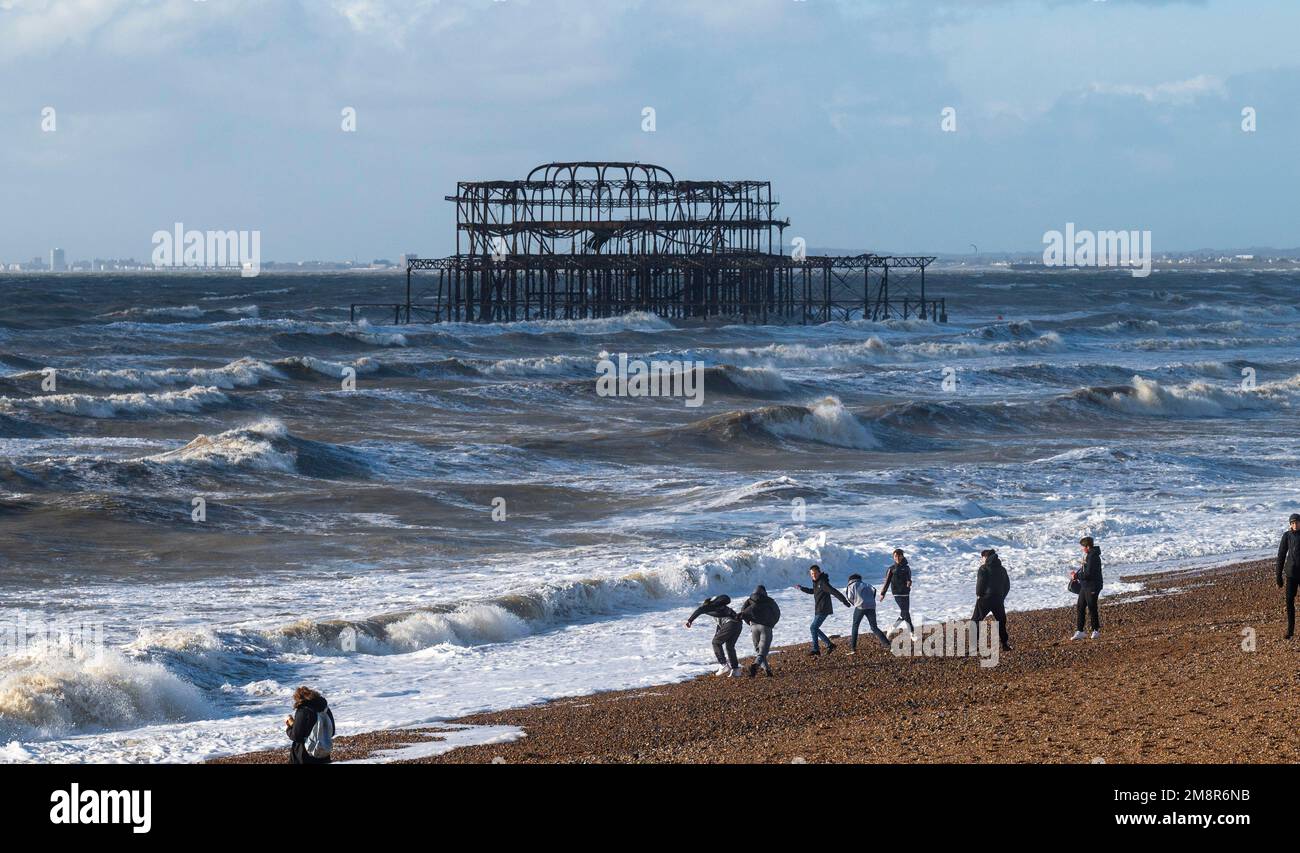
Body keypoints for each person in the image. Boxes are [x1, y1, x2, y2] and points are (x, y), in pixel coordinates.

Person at [793, 564, 851, 656]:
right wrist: (801, 588)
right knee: (814, 628)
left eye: (815, 573)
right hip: (819, 609)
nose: (813, 575)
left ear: (819, 572)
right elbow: (813, 591)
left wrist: (844, 601)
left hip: (823, 609)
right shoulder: (817, 582)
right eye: (812, 574)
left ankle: (817, 649)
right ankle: (829, 645)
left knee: (813, 627)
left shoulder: (822, 583)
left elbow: (833, 591)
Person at [686, 594, 745, 677]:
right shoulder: (723, 608)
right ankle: (736, 670)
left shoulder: (711, 606)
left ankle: (723, 665)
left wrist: (690, 620)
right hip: (738, 624)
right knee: (730, 646)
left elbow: (700, 610)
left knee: (716, 643)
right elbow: (720, 627)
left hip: (730, 624)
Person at [737, 584, 781, 677]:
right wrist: (771, 624)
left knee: (759, 650)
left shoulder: (749, 600)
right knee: (763, 651)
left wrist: (749, 623)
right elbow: (777, 613)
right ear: (765, 592)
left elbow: (743, 612)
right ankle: (755, 665)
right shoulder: (769, 600)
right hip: (766, 627)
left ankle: (767, 671)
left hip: (753, 627)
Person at [972, 549, 1012, 651]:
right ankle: (1005, 644)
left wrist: (979, 595)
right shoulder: (1002, 569)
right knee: (1001, 621)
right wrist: (1001, 597)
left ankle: (973, 646)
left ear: (985, 557)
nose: (981, 560)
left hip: (985, 598)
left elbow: (980, 584)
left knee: (975, 620)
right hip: (998, 599)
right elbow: (1007, 585)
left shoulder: (983, 568)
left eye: (982, 557)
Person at [285, 686, 335, 765]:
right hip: (323, 750)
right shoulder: (325, 708)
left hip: (305, 753)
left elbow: (296, 736)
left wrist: (289, 727)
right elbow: (332, 731)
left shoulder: (303, 710)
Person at [843, 573, 888, 653]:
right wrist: (870, 601)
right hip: (871, 606)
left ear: (850, 580)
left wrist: (855, 603)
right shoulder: (867, 584)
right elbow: (874, 591)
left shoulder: (851, 585)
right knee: (874, 627)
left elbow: (849, 597)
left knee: (855, 626)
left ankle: (853, 648)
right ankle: (887, 644)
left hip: (860, 606)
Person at [1071, 536, 1103, 640]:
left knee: (1092, 607)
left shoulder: (1093, 556)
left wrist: (1077, 576)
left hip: (1093, 585)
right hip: (1085, 586)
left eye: (1083, 546)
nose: (1082, 548)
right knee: (1080, 607)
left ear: (1088, 546)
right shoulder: (1089, 555)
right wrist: (1077, 574)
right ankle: (1080, 631)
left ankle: (1095, 631)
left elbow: (1088, 574)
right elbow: (1085, 570)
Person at [879, 549, 915, 641]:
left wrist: (909, 582)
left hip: (906, 593)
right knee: (905, 612)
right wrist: (883, 593)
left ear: (902, 556)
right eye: (895, 556)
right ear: (893, 557)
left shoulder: (907, 568)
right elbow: (887, 582)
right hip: (897, 593)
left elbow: (909, 578)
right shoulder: (891, 569)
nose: (897, 558)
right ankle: (911, 633)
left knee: (905, 613)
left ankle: (894, 628)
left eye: (899, 556)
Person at [1276, 513, 1300, 638]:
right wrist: (1278, 575)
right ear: (1290, 524)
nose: (1295, 525)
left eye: (1297, 522)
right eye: (1293, 523)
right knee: (1289, 602)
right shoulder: (1287, 536)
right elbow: (1281, 555)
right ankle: (1290, 631)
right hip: (1291, 574)